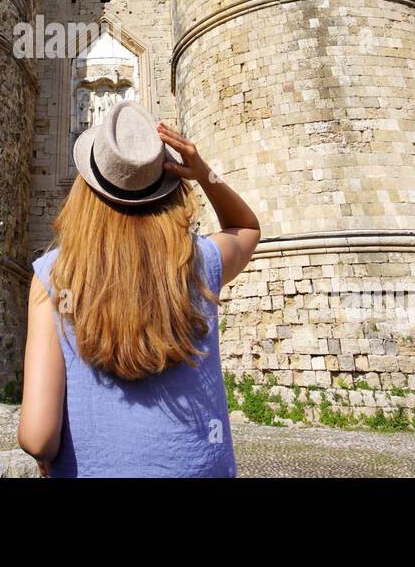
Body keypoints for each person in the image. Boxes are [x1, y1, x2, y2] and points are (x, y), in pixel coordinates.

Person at [17, 100, 261, 477]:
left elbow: (38, 437)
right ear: (167, 185)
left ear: (86, 188)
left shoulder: (54, 276)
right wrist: (204, 173)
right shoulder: (200, 262)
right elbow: (246, 228)